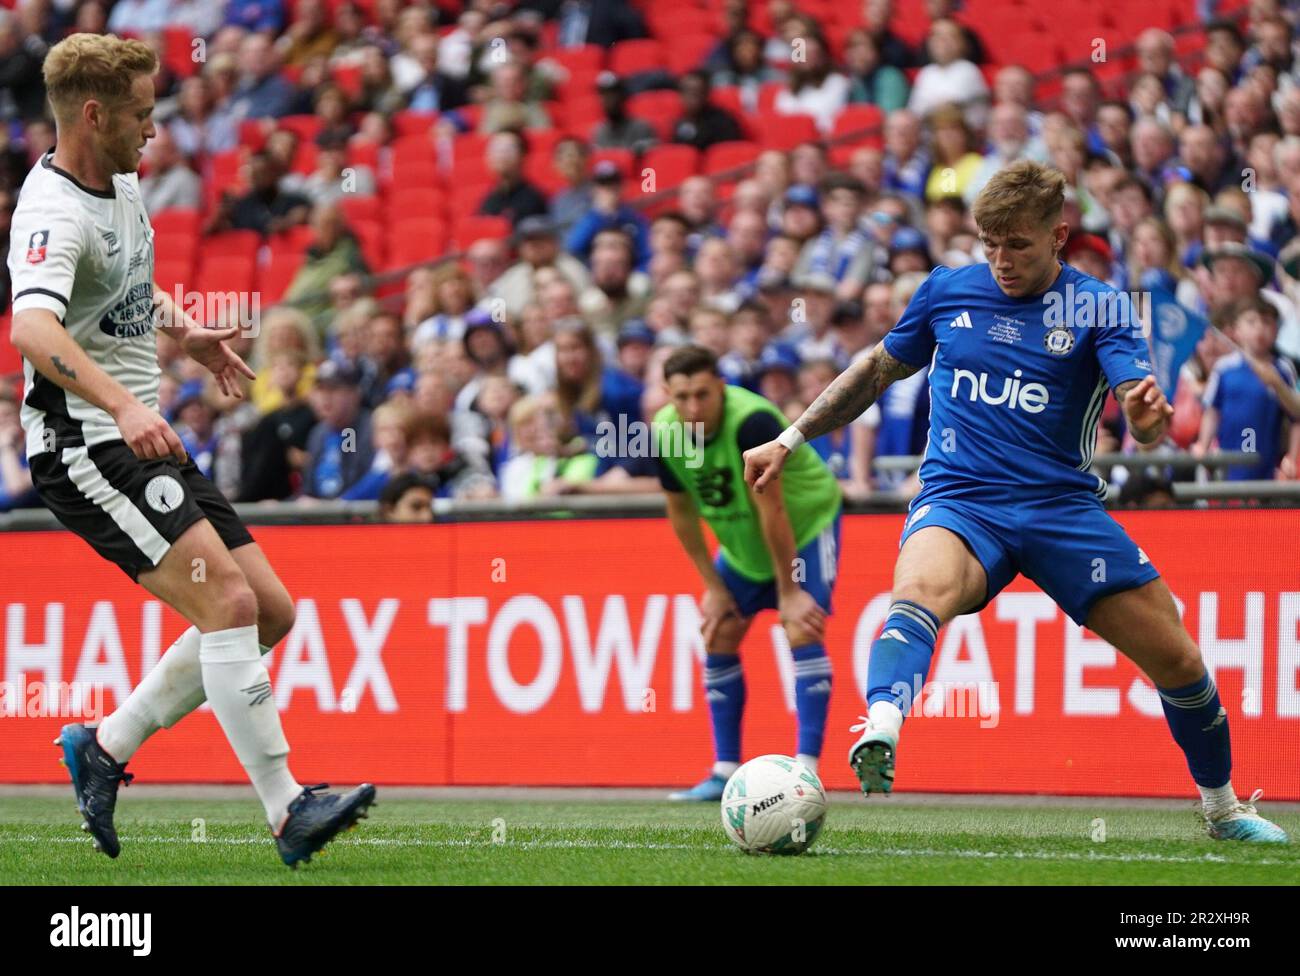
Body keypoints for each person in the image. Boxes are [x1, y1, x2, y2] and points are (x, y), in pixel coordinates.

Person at [742, 159, 1288, 842]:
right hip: (961, 500)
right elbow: (876, 371)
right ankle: (881, 725)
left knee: (1179, 662)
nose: (1001, 259)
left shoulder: (1098, 306)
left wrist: (1148, 415)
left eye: (1018, 244)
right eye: (989, 242)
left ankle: (1224, 809)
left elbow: (1142, 419)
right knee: (917, 589)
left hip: (1062, 511)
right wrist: (790, 438)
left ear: (1058, 236)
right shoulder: (945, 291)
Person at [6, 33, 375, 867]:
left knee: (270, 610)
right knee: (231, 607)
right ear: (93, 115)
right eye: (141, 113)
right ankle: (289, 810)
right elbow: (32, 325)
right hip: (87, 447)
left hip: (140, 438)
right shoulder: (53, 210)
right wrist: (125, 402)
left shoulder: (122, 178)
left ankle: (105, 744)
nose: (154, 130)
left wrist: (190, 335)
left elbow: (129, 283)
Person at [655, 345, 842, 801]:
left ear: (722, 386)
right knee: (718, 632)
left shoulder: (752, 422)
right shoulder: (664, 432)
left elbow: (773, 511)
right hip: (742, 547)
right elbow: (680, 514)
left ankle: (806, 773)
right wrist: (713, 587)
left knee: (800, 625)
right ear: (668, 395)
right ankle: (723, 771)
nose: (693, 408)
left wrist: (789, 590)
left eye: (703, 394)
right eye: (682, 397)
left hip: (803, 527)